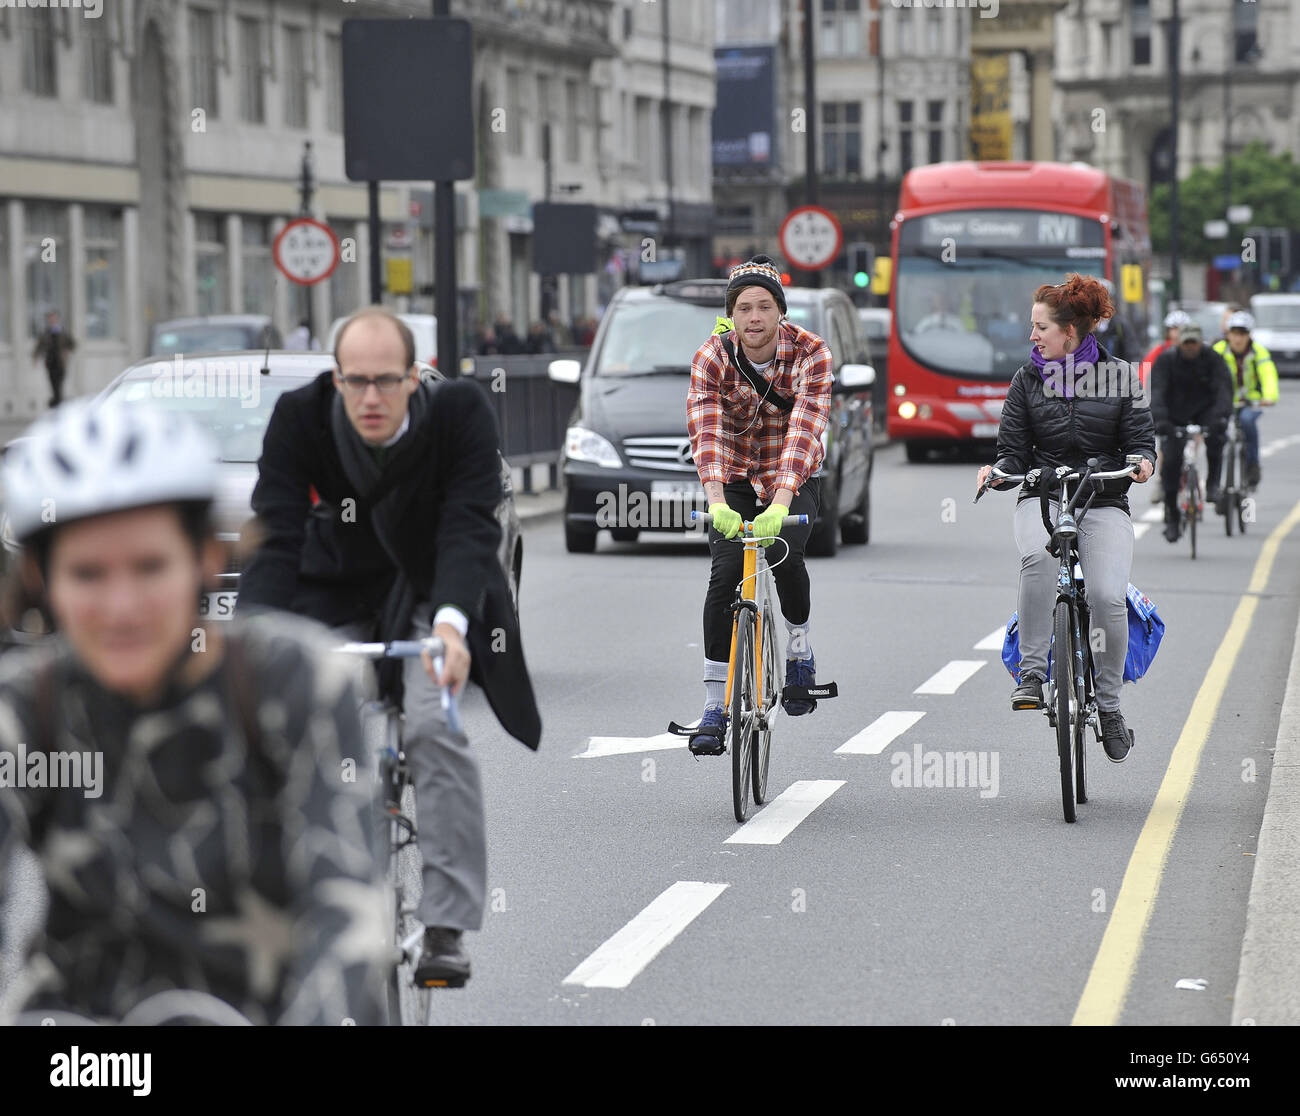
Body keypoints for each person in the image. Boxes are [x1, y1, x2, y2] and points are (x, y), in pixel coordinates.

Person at [0, 399, 390, 1025]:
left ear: (206, 558)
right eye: (88, 574)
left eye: (151, 567)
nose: (122, 606)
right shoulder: (25, 708)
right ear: (41, 577)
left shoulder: (295, 681)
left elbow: (345, 908)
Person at [236, 306, 541, 988]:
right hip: (334, 588)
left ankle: (444, 924)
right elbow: (276, 535)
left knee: (436, 724)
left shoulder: (458, 415)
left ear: (414, 377)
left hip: (434, 586)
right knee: (290, 721)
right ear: (336, 379)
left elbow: (470, 528)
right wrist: (252, 643)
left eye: (385, 381)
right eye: (355, 382)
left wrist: (453, 629)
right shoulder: (300, 417)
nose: (370, 398)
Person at [977, 273, 1156, 763]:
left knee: (1105, 596)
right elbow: (1012, 453)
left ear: (1069, 333)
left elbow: (1141, 440)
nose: (1031, 336)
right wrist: (997, 471)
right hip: (1044, 497)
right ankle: (1032, 674)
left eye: (1039, 327)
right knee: (1037, 558)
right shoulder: (1026, 380)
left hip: (1102, 500)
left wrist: (1143, 463)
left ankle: (1111, 708)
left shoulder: (1121, 376)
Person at [684, 256, 831, 755]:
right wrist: (717, 499)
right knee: (725, 575)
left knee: (785, 553)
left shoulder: (811, 352)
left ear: (779, 312)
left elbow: (806, 428)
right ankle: (713, 706)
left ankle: (799, 653)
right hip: (733, 478)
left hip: (792, 474)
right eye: (744, 307)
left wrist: (782, 498)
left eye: (764, 306)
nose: (754, 317)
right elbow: (707, 431)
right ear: (732, 313)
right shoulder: (713, 356)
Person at [1149, 320, 1235, 541]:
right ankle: (1172, 515)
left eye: (1194, 343)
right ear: (1179, 344)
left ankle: (1213, 484)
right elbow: (1157, 392)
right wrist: (1161, 420)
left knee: (1217, 437)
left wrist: (1220, 417)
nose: (1190, 347)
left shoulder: (1213, 360)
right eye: (1186, 343)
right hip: (1174, 413)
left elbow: (1224, 390)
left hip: (1205, 410)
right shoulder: (1166, 360)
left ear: (1200, 343)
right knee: (1171, 463)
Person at [1212, 310, 1278, 489]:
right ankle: (1215, 482)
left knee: (1247, 421)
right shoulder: (1217, 351)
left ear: (1249, 335)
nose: (1238, 339)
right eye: (1234, 333)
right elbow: (1205, 375)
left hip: (1251, 401)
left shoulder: (1258, 352)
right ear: (1228, 334)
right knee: (1216, 434)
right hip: (1224, 403)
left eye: (1243, 334)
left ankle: (1252, 465)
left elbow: (1268, 374)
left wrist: (1269, 396)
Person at [1138, 309, 1190, 503]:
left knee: (1195, 437)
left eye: (1181, 329)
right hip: (1166, 404)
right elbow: (1144, 372)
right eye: (1173, 329)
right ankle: (1162, 480)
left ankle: (1192, 476)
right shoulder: (1160, 351)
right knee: (1166, 444)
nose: (1176, 333)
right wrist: (1142, 395)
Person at [31, 310, 75, 408]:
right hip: (50, 363)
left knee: (58, 385)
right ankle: (57, 403)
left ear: (57, 319)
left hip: (61, 363)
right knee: (53, 384)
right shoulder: (46, 333)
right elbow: (39, 346)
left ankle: (57, 403)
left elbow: (72, 344)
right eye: (50, 319)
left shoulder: (63, 332)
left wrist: (67, 351)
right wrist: (35, 358)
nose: (52, 320)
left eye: (54, 318)